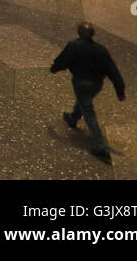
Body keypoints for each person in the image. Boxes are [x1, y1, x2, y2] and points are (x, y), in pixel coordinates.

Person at [51, 21, 125, 164]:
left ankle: (100, 146)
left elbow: (62, 61)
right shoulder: (101, 50)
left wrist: (55, 68)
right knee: (84, 101)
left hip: (81, 83)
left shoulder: (74, 46)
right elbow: (113, 71)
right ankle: (72, 118)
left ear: (79, 32)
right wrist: (119, 90)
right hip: (97, 84)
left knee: (88, 112)